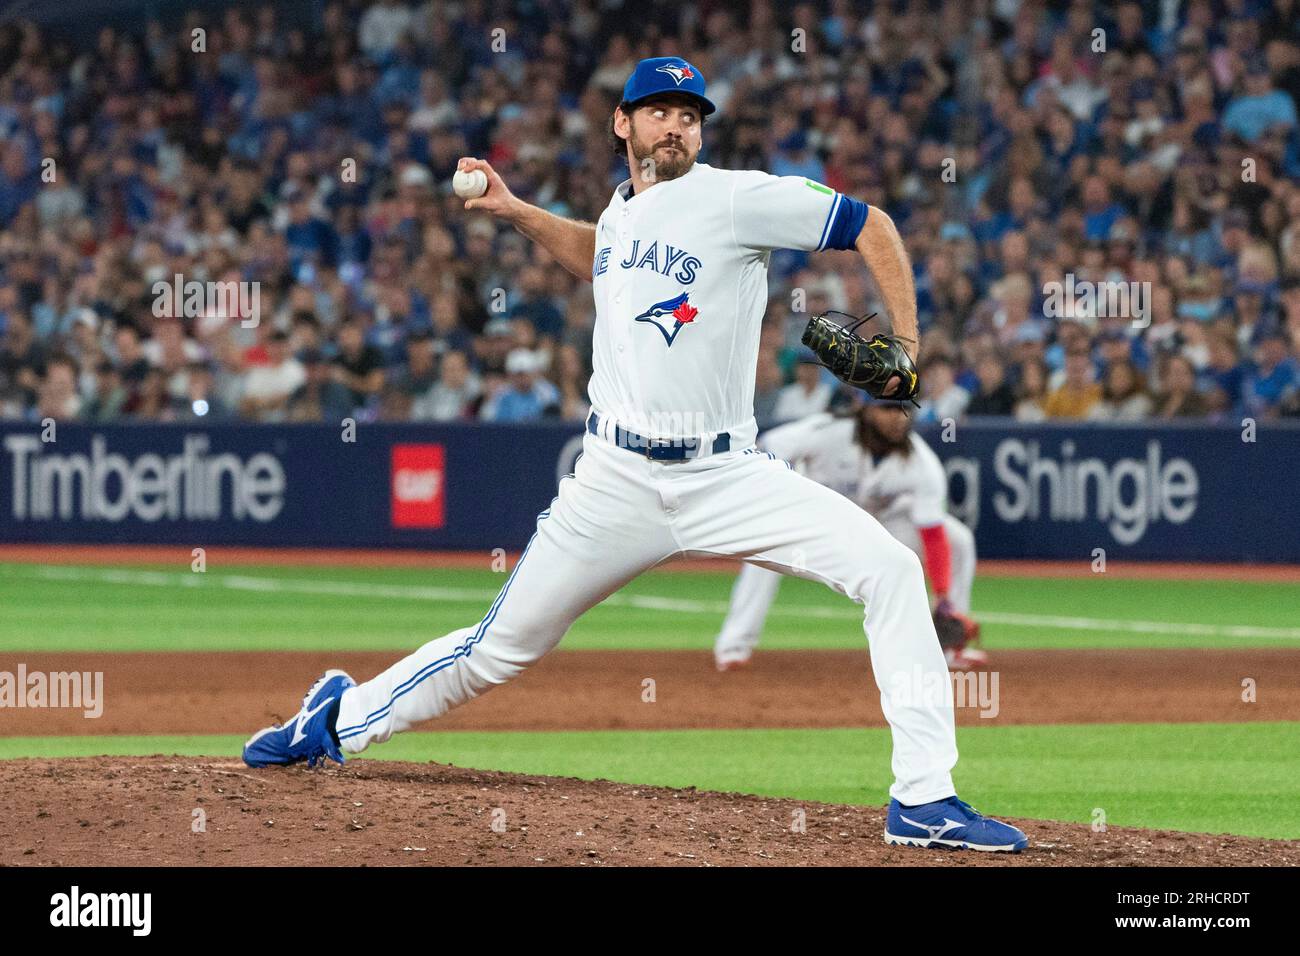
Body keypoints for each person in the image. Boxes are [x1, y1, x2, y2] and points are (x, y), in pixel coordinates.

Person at [243, 57, 1027, 853]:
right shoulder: (622, 213)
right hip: (613, 483)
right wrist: (517, 212)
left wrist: (907, 344)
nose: (677, 125)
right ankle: (336, 719)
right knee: (496, 652)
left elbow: (873, 225)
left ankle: (924, 799)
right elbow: (602, 256)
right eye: (660, 111)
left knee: (890, 570)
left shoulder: (732, 198)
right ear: (623, 123)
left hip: (727, 474)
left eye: (690, 114)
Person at [712, 398, 986, 672]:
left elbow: (933, 534)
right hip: (815, 521)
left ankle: (949, 647)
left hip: (879, 528)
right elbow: (770, 445)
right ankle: (733, 645)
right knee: (767, 541)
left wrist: (942, 595)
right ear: (866, 409)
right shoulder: (831, 432)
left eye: (904, 409)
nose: (898, 417)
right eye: (888, 408)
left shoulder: (920, 461)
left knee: (958, 540)